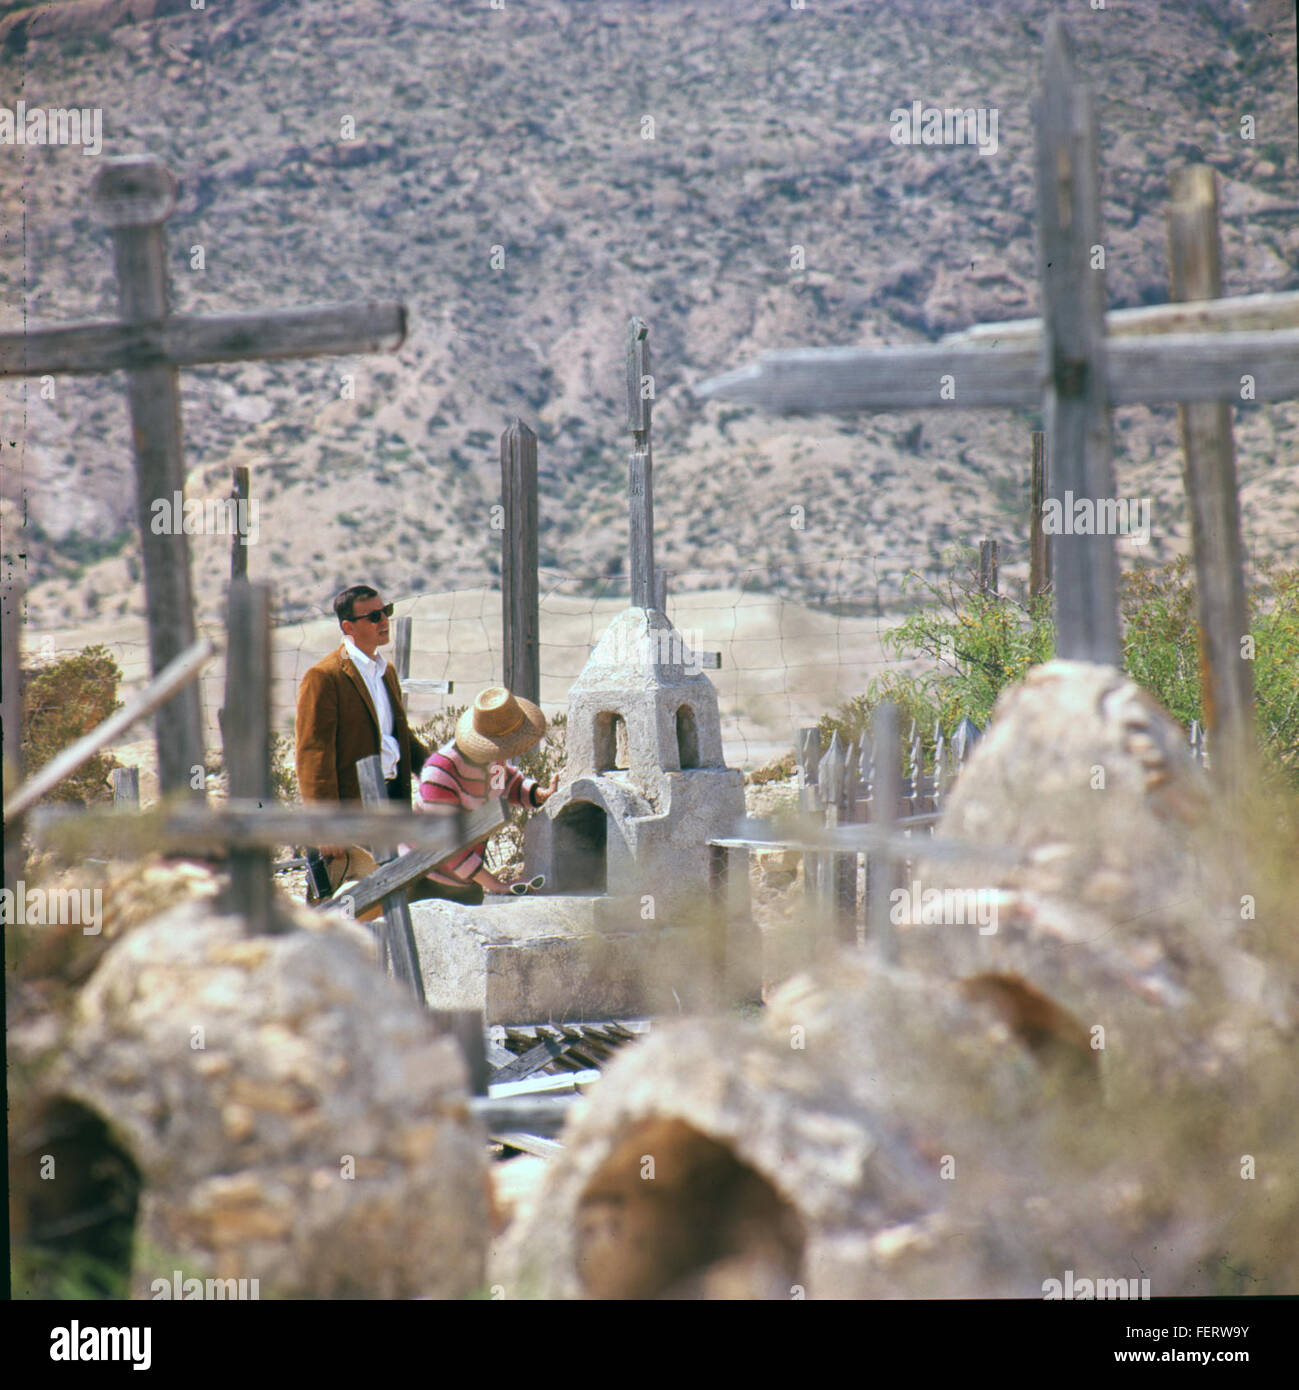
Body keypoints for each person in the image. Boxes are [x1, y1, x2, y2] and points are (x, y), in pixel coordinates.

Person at [294, 583, 429, 901]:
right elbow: (313, 753)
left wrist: (437, 770)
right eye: (374, 616)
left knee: (391, 902)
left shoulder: (386, 672)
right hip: (351, 811)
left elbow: (401, 736)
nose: (385, 621)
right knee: (342, 905)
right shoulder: (324, 677)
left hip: (392, 801)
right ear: (348, 627)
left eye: (387, 612)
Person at [416, 686, 559, 896]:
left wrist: (538, 794)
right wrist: (495, 885)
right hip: (428, 879)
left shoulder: (493, 761)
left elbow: (504, 785)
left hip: (468, 876)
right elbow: (447, 844)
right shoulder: (439, 774)